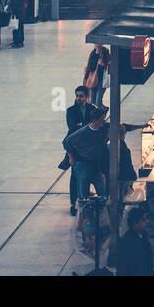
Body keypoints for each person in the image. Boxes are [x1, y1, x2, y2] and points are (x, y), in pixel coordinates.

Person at [63, 105, 110, 202]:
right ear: (95, 120)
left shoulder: (103, 128)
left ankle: (101, 210)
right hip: (83, 164)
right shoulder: (83, 132)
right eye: (102, 119)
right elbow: (67, 142)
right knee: (83, 195)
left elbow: (122, 127)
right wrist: (71, 157)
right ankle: (83, 214)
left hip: (95, 164)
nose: (104, 121)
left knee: (101, 189)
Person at [64, 87, 96, 215]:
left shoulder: (92, 109)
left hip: (88, 149)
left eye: (81, 96)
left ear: (87, 96)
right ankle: (73, 203)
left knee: (86, 175)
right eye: (77, 96)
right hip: (76, 149)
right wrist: (87, 126)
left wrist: (82, 125)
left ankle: (84, 199)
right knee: (75, 177)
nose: (78, 98)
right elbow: (72, 127)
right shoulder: (71, 111)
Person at [115, 206, 154, 276]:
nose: (147, 221)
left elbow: (149, 262)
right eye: (143, 219)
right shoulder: (126, 241)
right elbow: (122, 267)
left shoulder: (144, 237)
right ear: (135, 222)